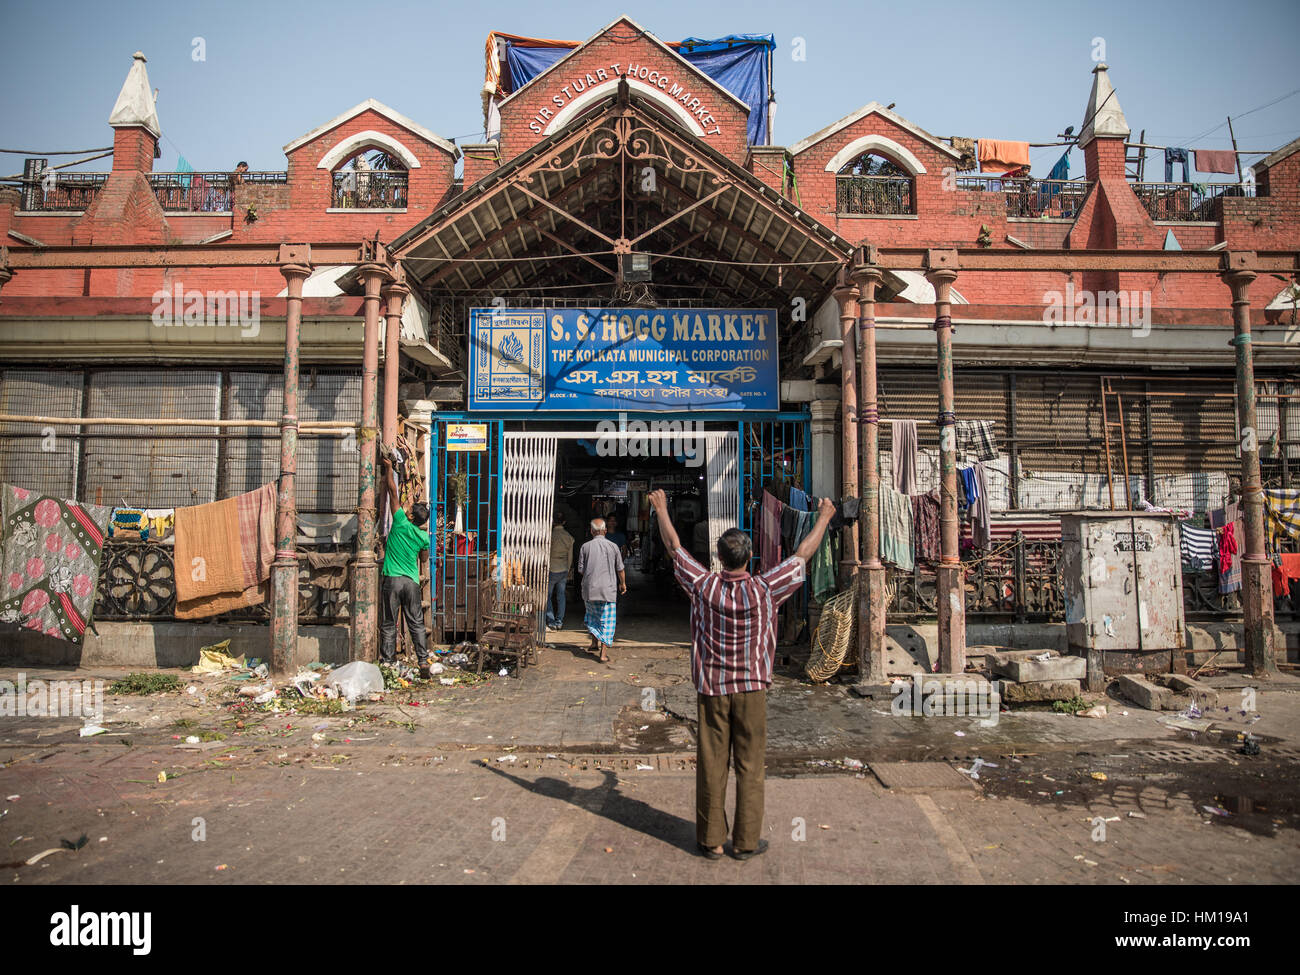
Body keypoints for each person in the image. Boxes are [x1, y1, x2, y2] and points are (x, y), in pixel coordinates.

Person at [648, 488, 834, 861]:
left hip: (713, 689)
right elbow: (802, 555)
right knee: (750, 765)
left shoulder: (703, 586)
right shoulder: (765, 590)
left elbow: (674, 548)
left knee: (712, 764)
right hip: (752, 689)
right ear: (749, 557)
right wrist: (825, 517)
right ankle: (746, 842)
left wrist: (661, 509)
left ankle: (712, 840)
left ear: (718, 557)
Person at [379, 453, 432, 678]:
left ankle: (389, 663)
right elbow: (424, 559)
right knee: (416, 623)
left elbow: (392, 492)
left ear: (410, 514)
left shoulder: (400, 521)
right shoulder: (423, 538)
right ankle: (422, 661)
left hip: (392, 578)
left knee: (389, 623)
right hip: (411, 581)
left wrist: (389, 468)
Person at [577, 517, 626, 663]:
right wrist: (623, 583)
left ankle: (593, 643)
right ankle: (603, 654)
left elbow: (581, 570)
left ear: (591, 531)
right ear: (605, 531)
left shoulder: (585, 547)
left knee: (593, 617)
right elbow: (620, 569)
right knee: (607, 621)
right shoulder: (613, 546)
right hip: (608, 590)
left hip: (589, 589)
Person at [546, 511, 575, 631]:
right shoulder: (569, 537)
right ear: (564, 522)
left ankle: (551, 621)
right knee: (561, 596)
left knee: (547, 596)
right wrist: (568, 570)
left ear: (552, 522)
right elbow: (570, 557)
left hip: (551, 568)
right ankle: (559, 621)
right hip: (563, 568)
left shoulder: (549, 536)